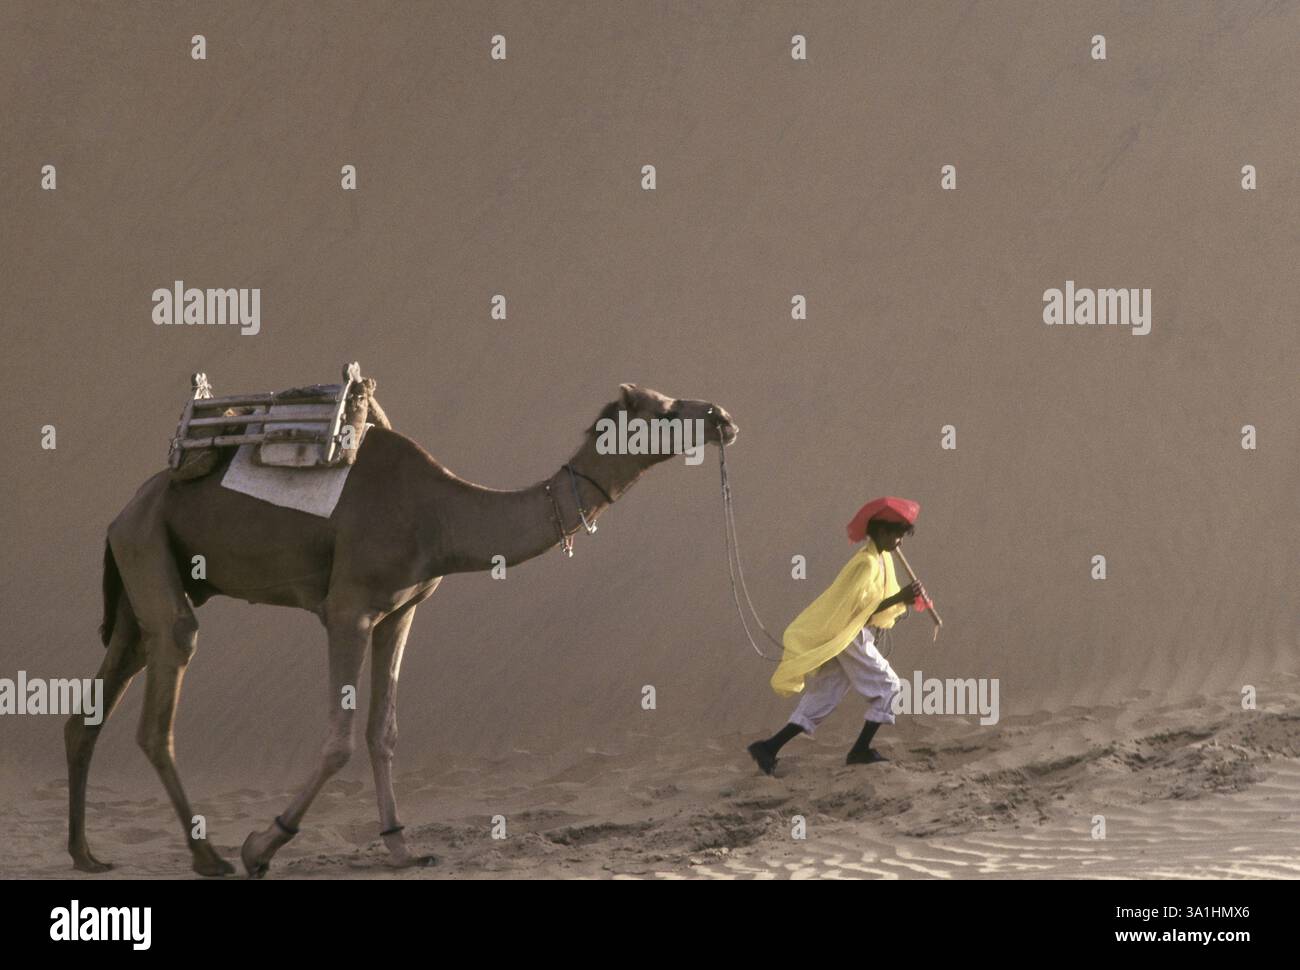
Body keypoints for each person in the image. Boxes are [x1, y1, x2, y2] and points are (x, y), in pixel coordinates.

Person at [747, 497, 928, 775]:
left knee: (823, 696)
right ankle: (860, 750)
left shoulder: (880, 558)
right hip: (850, 635)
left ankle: (769, 747)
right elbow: (854, 610)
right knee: (890, 687)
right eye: (896, 535)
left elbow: (866, 605)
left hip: (849, 636)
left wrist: (903, 599)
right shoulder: (866, 564)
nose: (899, 542)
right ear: (881, 532)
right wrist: (900, 597)